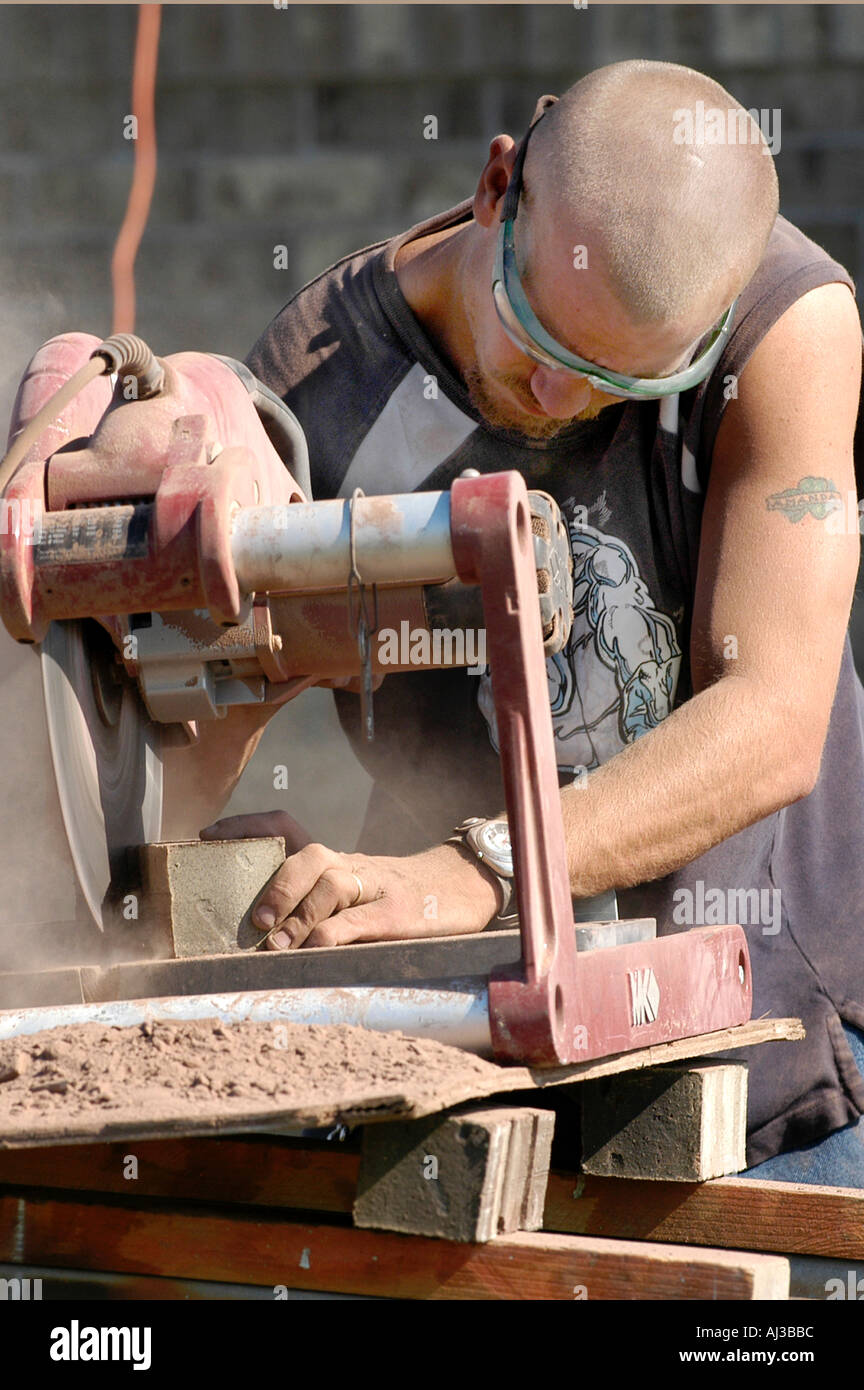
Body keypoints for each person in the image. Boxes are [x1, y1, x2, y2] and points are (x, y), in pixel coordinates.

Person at [201, 59, 864, 1178]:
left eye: (617, 381)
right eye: (540, 341)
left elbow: (775, 715)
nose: (560, 402)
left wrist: (480, 868)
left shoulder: (787, 328)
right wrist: (214, 853)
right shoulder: (324, 383)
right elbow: (206, 713)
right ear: (499, 185)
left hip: (779, 1052)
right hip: (470, 1059)